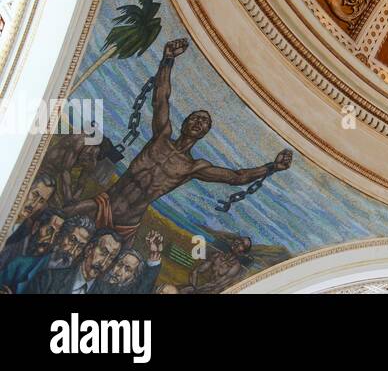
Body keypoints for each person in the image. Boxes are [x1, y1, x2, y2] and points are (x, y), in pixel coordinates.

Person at [60, 38, 292, 243]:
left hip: (129, 221)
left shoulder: (193, 167)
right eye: (196, 118)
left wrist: (272, 166)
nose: (199, 123)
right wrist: (167, 59)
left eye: (204, 123)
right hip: (107, 203)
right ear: (184, 123)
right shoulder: (162, 135)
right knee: (63, 215)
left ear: (203, 134)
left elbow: (237, 177)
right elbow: (161, 97)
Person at [23, 226, 118, 294]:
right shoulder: (48, 279)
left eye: (111, 258)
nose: (104, 263)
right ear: (89, 249)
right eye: (103, 252)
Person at [0, 208, 64, 292]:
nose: (51, 240)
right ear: (36, 226)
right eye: (49, 231)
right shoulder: (10, 250)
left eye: (56, 236)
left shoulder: (52, 263)